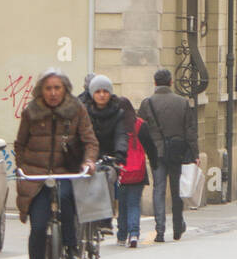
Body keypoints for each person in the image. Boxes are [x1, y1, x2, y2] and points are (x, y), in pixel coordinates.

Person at [15, 69, 98, 259]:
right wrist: (22, 169)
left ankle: (72, 250)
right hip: (37, 177)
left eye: (57, 88)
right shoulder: (31, 113)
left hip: (65, 172)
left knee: (67, 200)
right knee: (39, 227)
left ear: (65, 90)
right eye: (48, 88)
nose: (53, 93)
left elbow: (90, 141)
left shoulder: (77, 111)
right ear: (41, 90)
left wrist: (88, 161)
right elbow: (20, 144)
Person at [138, 69, 199, 243]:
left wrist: (147, 147)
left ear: (155, 83)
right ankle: (178, 226)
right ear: (171, 82)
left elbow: (140, 128)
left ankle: (160, 230)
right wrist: (195, 153)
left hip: (156, 152)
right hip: (178, 151)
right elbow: (190, 131)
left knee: (158, 189)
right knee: (176, 189)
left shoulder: (147, 103)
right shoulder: (182, 102)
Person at [83, 74, 131, 233]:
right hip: (87, 155)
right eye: (98, 91)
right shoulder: (83, 111)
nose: (102, 95)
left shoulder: (118, 113)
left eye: (105, 91)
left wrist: (120, 153)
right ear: (92, 93)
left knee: (107, 176)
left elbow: (121, 135)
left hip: (108, 156)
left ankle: (105, 219)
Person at [117, 110, 154, 247]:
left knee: (122, 204)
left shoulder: (117, 125)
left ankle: (121, 235)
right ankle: (133, 234)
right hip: (138, 170)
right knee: (134, 204)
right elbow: (150, 146)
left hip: (121, 170)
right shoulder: (140, 124)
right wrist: (154, 162)